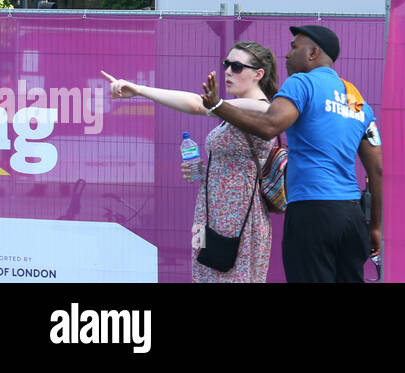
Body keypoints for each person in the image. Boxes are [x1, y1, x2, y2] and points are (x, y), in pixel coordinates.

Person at [200, 25, 382, 283]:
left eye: (294, 47)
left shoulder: (302, 83)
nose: (286, 55)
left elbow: (270, 126)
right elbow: (378, 169)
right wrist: (375, 226)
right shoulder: (357, 100)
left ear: (313, 53)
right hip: (352, 218)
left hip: (312, 213)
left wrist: (218, 105)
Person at [101, 42, 278, 283]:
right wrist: (203, 171)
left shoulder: (260, 107)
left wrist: (140, 90)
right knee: (206, 274)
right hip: (211, 212)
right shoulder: (231, 111)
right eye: (227, 64)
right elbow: (237, 163)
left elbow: (198, 104)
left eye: (237, 67)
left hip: (238, 216)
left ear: (259, 74)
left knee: (233, 276)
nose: (227, 71)